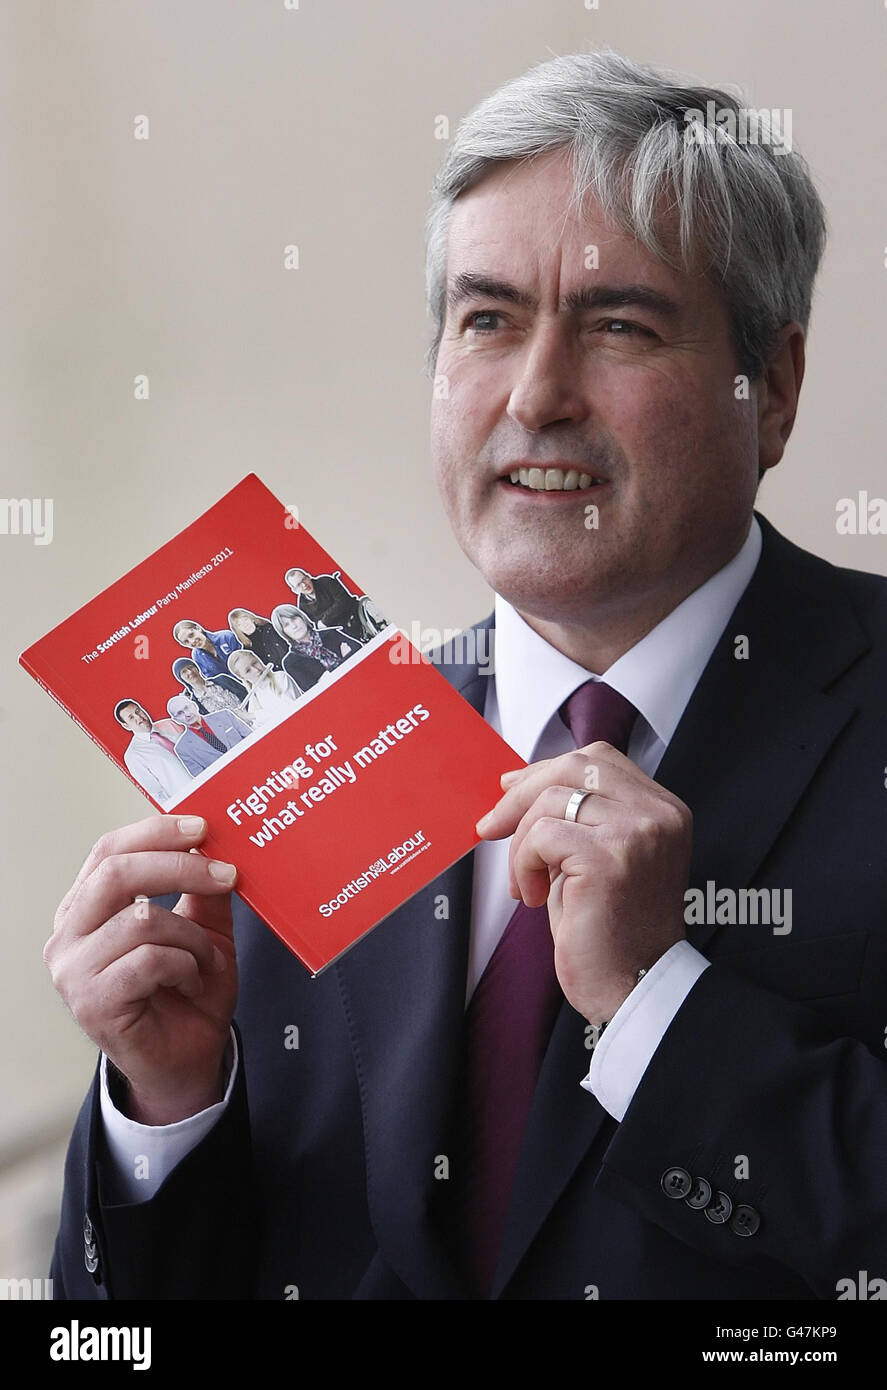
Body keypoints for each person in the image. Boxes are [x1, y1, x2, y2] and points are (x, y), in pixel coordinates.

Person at [45, 50, 887, 1302]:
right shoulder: (309, 759)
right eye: (487, 319)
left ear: (770, 390)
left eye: (617, 325)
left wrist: (659, 1005)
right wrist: (164, 1106)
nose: (537, 395)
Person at [114, 699, 192, 805]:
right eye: (131, 718)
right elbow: (156, 793)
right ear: (126, 726)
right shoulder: (133, 755)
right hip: (188, 798)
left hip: (209, 777)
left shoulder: (169, 724)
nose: (139, 717)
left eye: (138, 711)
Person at [270, 604, 362, 692]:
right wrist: (346, 658)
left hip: (360, 677)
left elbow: (360, 651)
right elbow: (313, 691)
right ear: (283, 632)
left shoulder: (331, 633)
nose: (294, 626)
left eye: (294, 619)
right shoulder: (290, 662)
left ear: (302, 618)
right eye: (286, 625)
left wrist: (327, 675)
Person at [166, 695, 251, 777]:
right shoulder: (182, 749)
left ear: (194, 705)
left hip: (252, 762)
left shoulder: (224, 716)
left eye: (187, 707)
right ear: (176, 720)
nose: (187, 714)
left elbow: (252, 737)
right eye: (180, 713)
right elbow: (202, 778)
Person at [283, 567, 371, 643]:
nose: (304, 585)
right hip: (340, 632)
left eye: (304, 579)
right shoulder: (302, 606)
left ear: (308, 576)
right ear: (295, 590)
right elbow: (315, 624)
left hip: (357, 617)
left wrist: (325, 621)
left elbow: (343, 601)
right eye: (298, 585)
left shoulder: (325, 581)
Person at [226, 649, 302, 729]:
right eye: (248, 671)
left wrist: (251, 716)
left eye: (255, 663)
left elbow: (289, 709)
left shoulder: (280, 677)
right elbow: (258, 727)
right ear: (242, 677)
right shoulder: (254, 695)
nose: (256, 670)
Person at [171, 658, 250, 717]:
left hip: (253, 713)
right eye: (184, 671)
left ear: (197, 668)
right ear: (181, 679)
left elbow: (248, 693)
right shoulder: (194, 704)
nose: (190, 672)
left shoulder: (222, 679)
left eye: (190, 667)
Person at [172, 619, 241, 680]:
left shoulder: (226, 637)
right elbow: (214, 679)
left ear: (198, 628)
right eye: (186, 642)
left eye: (191, 635)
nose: (192, 641)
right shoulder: (197, 656)